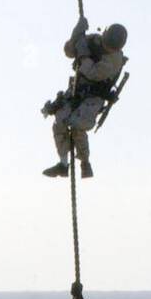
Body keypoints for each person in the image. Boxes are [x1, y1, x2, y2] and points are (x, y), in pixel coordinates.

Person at [42, 15, 127, 179]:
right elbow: (68, 52)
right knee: (59, 121)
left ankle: (84, 161)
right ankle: (63, 164)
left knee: (77, 125)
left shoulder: (114, 60)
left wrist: (83, 54)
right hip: (77, 90)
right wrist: (76, 36)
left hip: (93, 99)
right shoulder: (94, 40)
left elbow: (92, 73)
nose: (106, 48)